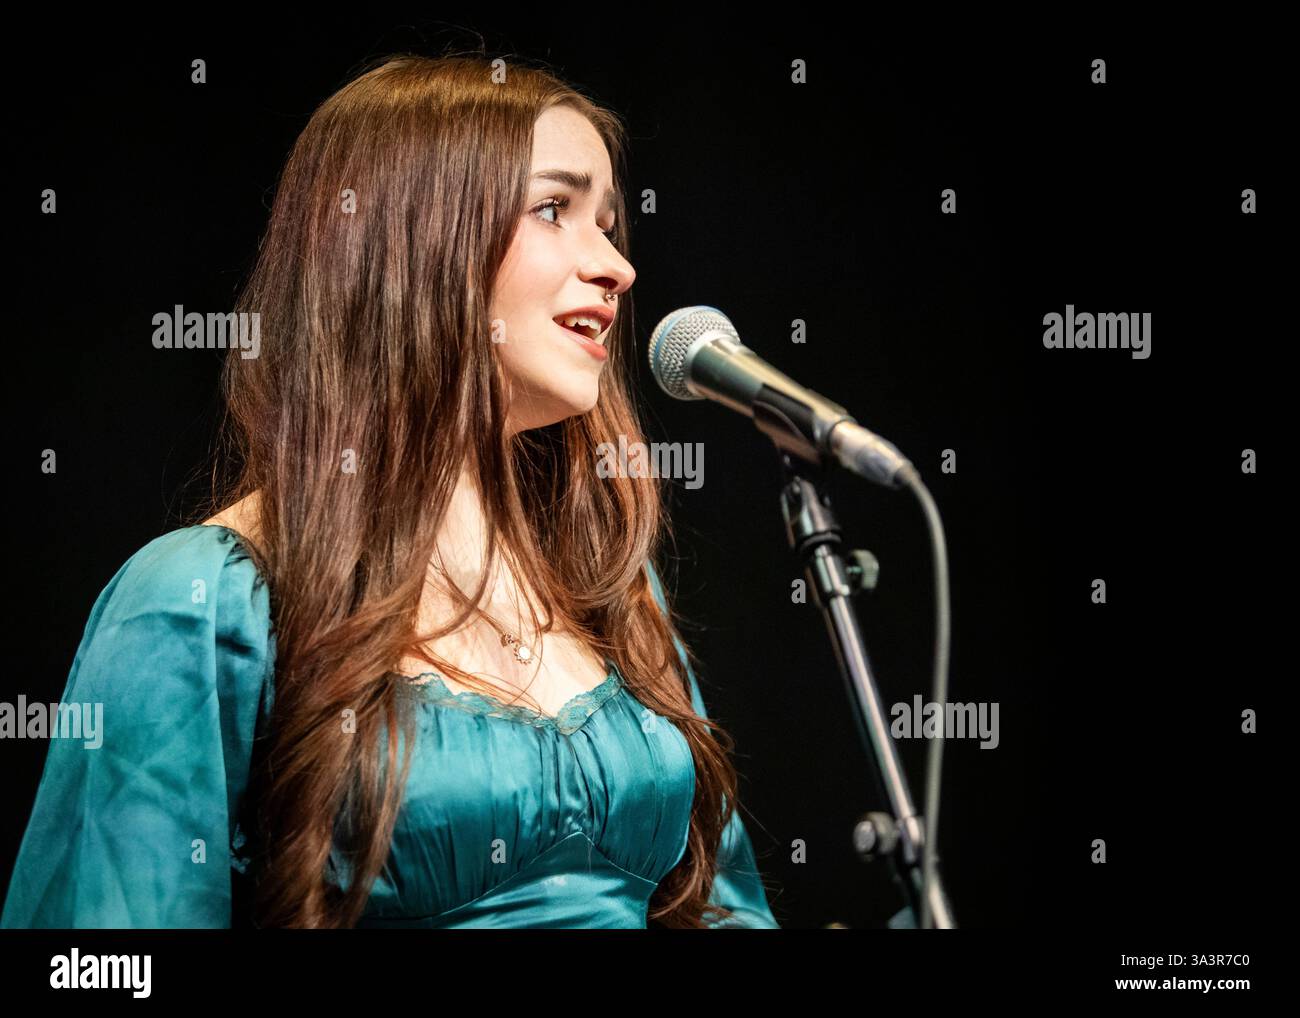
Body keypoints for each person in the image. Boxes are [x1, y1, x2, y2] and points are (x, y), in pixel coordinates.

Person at [1, 52, 779, 929]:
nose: (616, 267)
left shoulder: (616, 598)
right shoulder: (200, 598)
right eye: (554, 210)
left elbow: (720, 908)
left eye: (608, 224)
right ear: (411, 239)